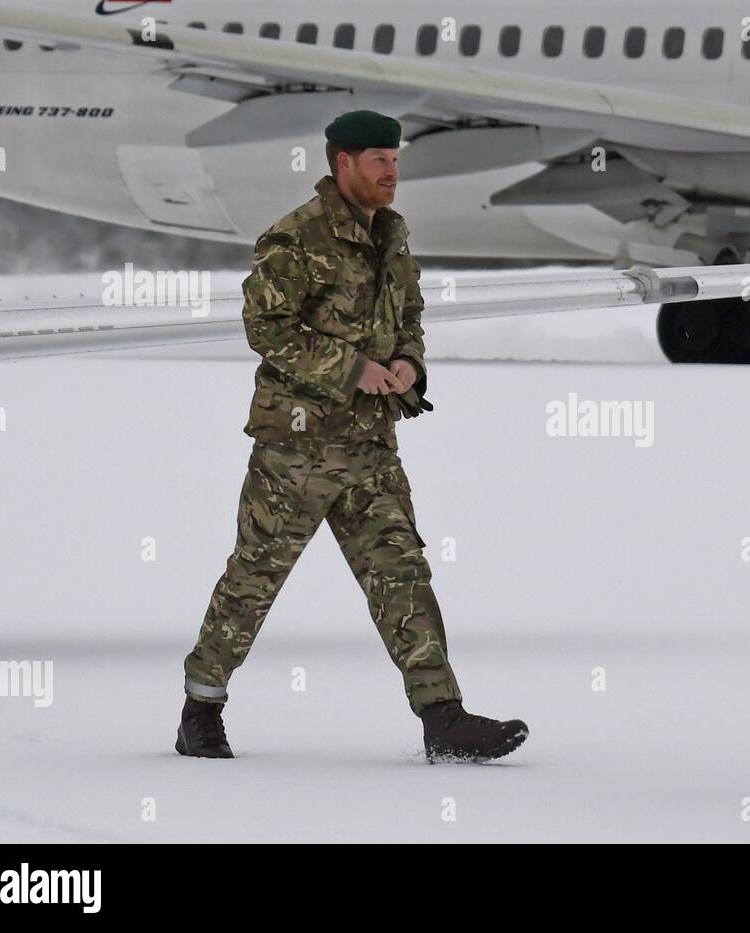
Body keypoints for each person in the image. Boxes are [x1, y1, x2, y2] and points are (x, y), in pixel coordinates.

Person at [176, 110, 528, 764]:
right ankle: (201, 705)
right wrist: (350, 369)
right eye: (379, 161)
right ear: (344, 165)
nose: (393, 172)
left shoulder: (392, 237)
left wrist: (408, 366)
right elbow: (267, 329)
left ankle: (442, 717)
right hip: (297, 451)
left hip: (369, 449)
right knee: (254, 580)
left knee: (402, 573)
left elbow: (410, 318)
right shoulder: (296, 239)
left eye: (396, 159)